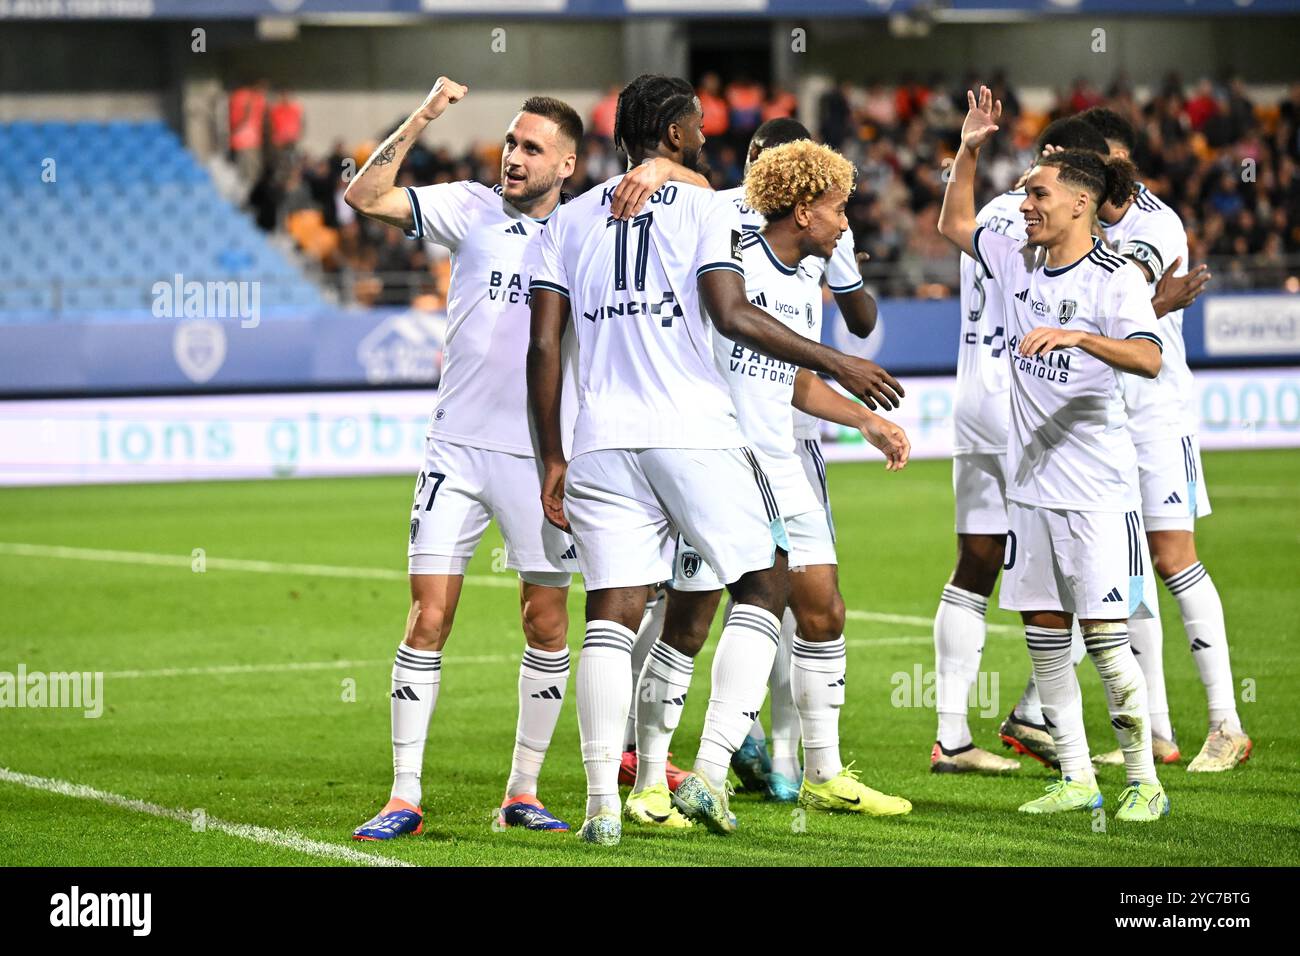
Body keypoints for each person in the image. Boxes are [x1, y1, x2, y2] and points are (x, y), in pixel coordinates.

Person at [527, 73, 901, 845]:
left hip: (598, 438)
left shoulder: (564, 221)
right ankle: (708, 768)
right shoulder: (706, 208)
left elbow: (543, 347)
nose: (706, 138)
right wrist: (840, 363)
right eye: (696, 128)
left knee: (613, 613)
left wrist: (552, 457)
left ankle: (603, 803)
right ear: (672, 135)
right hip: (690, 428)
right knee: (767, 579)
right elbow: (731, 314)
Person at [343, 77, 701, 839]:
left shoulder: (587, 225)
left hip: (544, 455)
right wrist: (424, 115)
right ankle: (404, 794)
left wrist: (662, 168)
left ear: (568, 162)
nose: (512, 156)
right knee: (428, 616)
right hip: (457, 450)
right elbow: (365, 195)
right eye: (509, 141)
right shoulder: (469, 206)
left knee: (545, 623)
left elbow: (705, 195)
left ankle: (522, 790)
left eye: (531, 147)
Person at [624, 139, 913, 831]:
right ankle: (658, 779)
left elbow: (794, 380)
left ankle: (821, 772)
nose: (846, 227)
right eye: (839, 210)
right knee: (689, 624)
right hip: (718, 459)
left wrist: (862, 422)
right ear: (804, 206)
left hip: (780, 462)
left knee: (823, 610)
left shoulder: (801, 279)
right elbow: (736, 326)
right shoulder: (733, 257)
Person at [931, 117, 1210, 775]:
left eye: (1037, 196)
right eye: (1026, 196)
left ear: (1080, 202)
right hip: (1028, 482)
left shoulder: (1114, 277)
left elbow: (1146, 357)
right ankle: (1079, 780)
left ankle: (1144, 778)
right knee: (1045, 632)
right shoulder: (1015, 259)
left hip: (1096, 487)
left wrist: (1080, 338)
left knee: (1107, 638)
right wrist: (968, 150)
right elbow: (953, 223)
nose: (1023, 206)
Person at [1080, 107, 1251, 772]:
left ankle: (1226, 725)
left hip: (1156, 413)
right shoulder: (1086, 220)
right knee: (1129, 575)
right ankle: (1155, 733)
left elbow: (1128, 319)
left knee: (1173, 556)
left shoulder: (1153, 224)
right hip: (1106, 417)